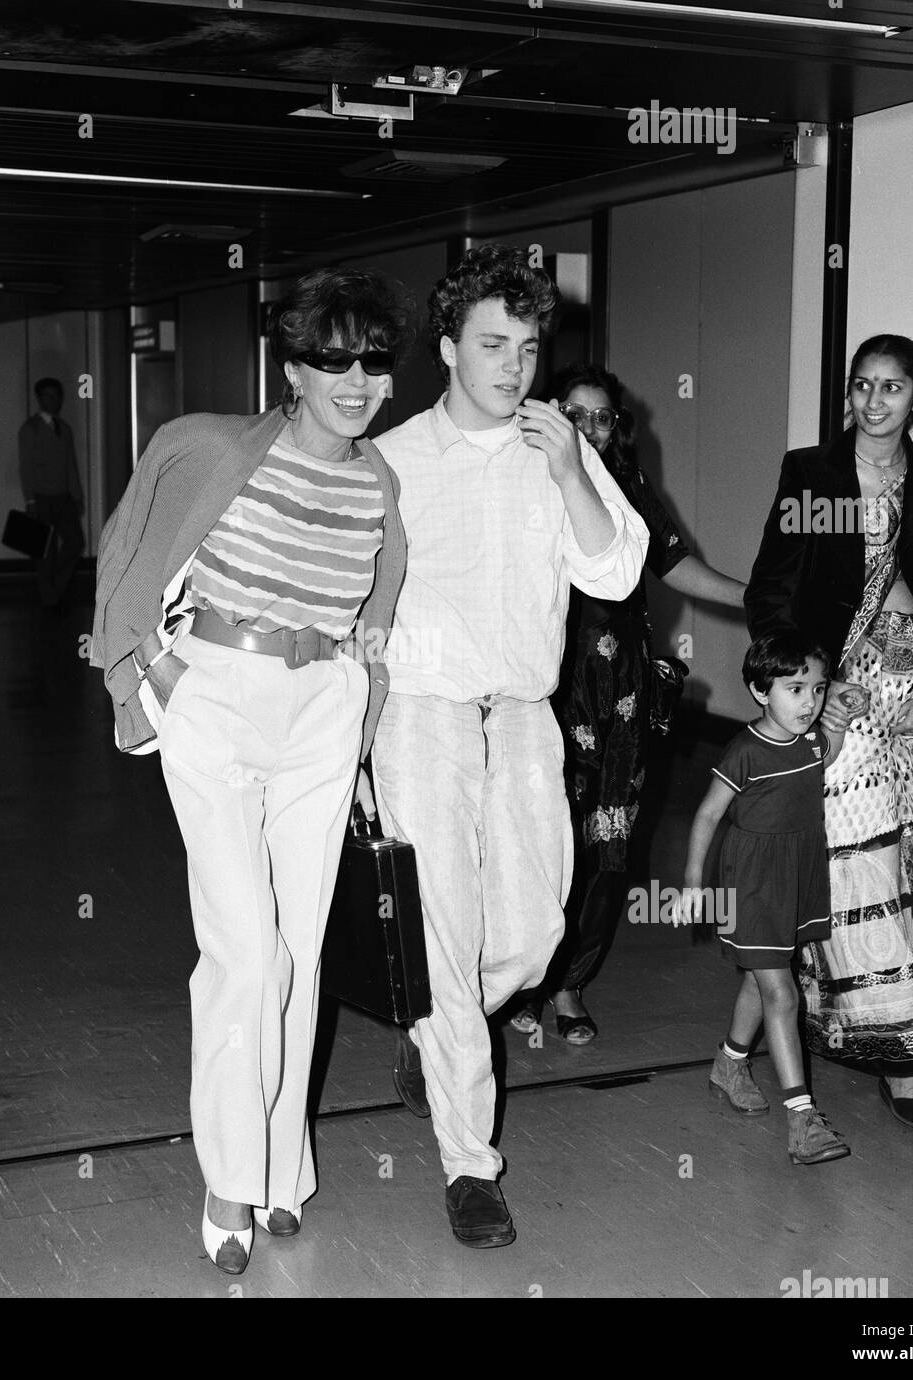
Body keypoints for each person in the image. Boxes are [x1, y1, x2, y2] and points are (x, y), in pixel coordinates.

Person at [89, 268, 410, 1274]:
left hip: (322, 709)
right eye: (333, 359)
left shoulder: (377, 482)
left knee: (300, 948)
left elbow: (379, 613)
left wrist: (363, 720)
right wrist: (156, 669)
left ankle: (282, 1165)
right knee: (241, 948)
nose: (355, 380)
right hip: (220, 695)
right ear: (295, 368)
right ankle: (230, 1176)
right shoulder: (218, 446)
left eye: (372, 360)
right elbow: (128, 547)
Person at [368, 245, 649, 1248]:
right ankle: (469, 1166)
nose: (512, 367)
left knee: (529, 938)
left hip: (526, 721)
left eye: (528, 348)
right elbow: (359, 603)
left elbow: (614, 571)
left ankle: (433, 1028)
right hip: (424, 718)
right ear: (446, 348)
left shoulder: (558, 448)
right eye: (491, 345)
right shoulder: (393, 458)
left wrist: (573, 466)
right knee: (443, 933)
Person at [746, 333, 913, 1133]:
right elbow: (771, 593)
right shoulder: (812, 475)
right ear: (848, 394)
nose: (874, 401)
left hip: (909, 693)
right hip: (839, 691)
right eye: (862, 386)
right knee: (858, 859)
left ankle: (864, 1034)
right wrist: (817, 689)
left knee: (905, 853)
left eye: (892, 387)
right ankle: (900, 1052)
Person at [509, 363, 746, 1045]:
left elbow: (674, 564)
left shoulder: (625, 485)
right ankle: (525, 978)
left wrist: (758, 598)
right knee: (538, 839)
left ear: (618, 428)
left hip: (620, 694)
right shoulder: (521, 477)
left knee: (609, 842)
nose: (587, 429)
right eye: (573, 414)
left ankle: (570, 985)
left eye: (602, 417)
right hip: (544, 685)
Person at [683, 633, 855, 1165]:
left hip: (798, 874)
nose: (809, 702)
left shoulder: (808, 739)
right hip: (753, 881)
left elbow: (824, 754)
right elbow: (709, 814)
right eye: (795, 688)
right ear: (761, 691)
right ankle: (802, 1118)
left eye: (818, 689)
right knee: (781, 992)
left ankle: (730, 1063)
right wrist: (692, 884)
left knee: (767, 976)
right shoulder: (745, 751)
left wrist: (841, 719)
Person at [19, 377, 85, 609]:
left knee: (75, 543)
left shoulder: (64, 429)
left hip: (64, 497)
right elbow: (25, 467)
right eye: (48, 396)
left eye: (57, 396)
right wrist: (29, 500)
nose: (54, 400)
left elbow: (71, 465)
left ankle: (53, 587)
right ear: (39, 398)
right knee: (45, 551)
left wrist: (77, 496)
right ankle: (49, 598)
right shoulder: (30, 429)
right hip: (41, 498)